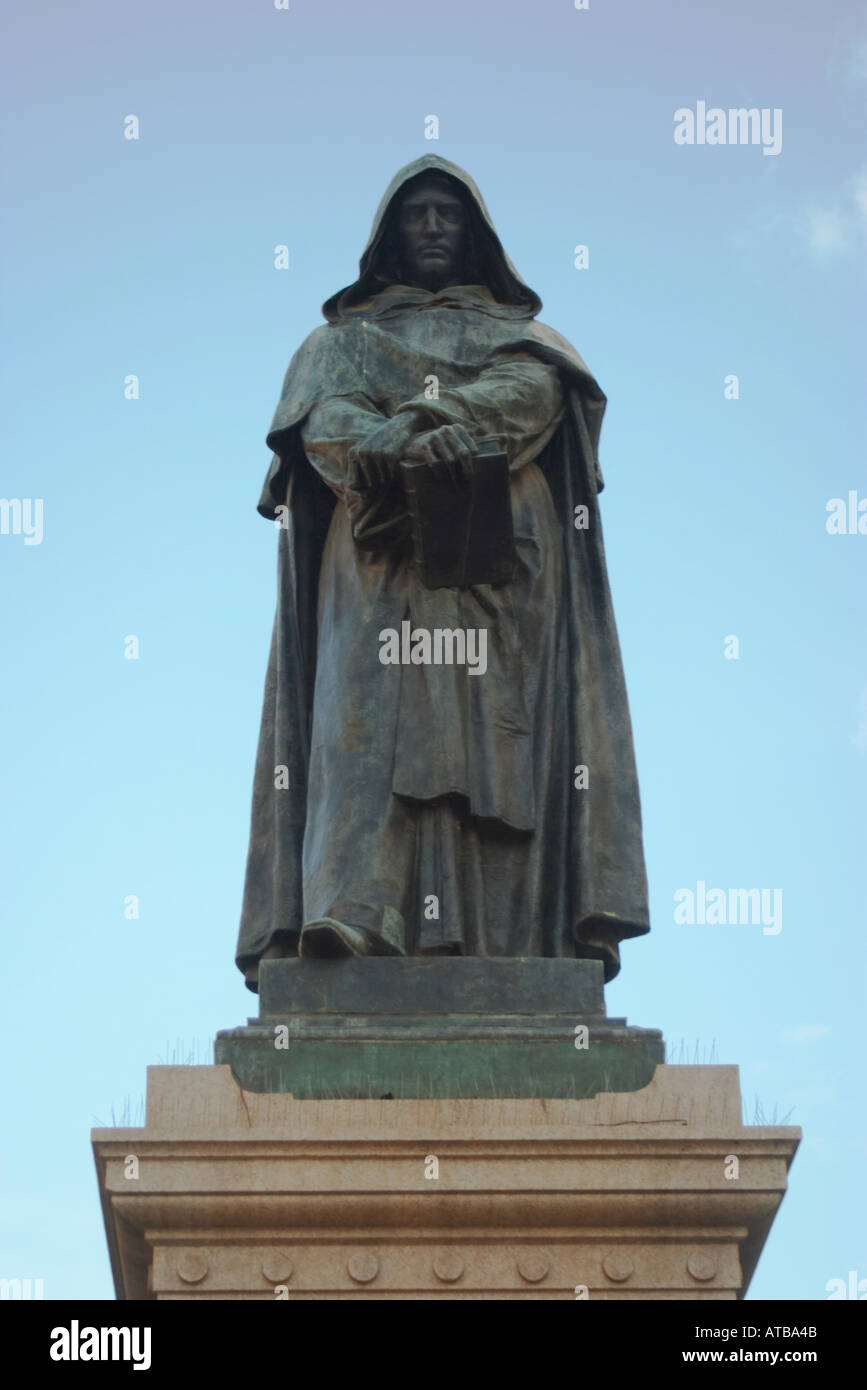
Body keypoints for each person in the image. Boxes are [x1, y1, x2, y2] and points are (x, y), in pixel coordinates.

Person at [235, 154, 649, 991]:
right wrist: (385, 451)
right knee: (368, 722)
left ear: (476, 237)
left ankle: (511, 937)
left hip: (502, 559)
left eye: (447, 215)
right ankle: (356, 910)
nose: (430, 227)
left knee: (498, 741)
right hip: (379, 545)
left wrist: (426, 420)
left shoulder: (528, 339)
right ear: (387, 235)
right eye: (415, 214)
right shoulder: (338, 343)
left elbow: (531, 394)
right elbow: (324, 425)